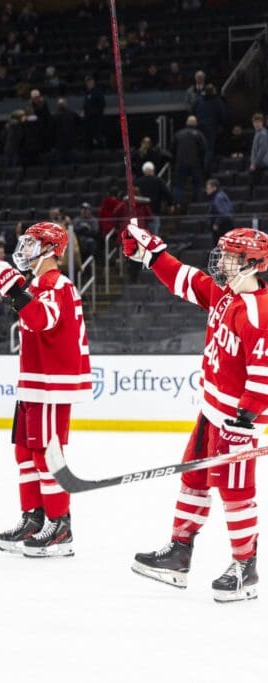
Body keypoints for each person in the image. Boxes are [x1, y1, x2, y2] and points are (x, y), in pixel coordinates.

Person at [122, 221, 268, 602]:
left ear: (253, 263)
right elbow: (185, 279)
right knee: (195, 480)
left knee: (236, 493)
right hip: (211, 412)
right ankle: (179, 553)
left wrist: (247, 418)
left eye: (231, 257)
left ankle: (245, 567)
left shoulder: (258, 312)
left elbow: (264, 372)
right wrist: (152, 254)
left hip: (237, 422)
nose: (221, 262)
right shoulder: (224, 294)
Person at [0, 221, 92, 558]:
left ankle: (60, 525)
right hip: (34, 380)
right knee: (24, 453)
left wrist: (10, 285)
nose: (24, 249)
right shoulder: (39, 283)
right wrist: (14, 287)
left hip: (50, 384)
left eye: (31, 243)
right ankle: (34, 517)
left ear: (48, 249)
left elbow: (42, 319)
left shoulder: (55, 283)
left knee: (46, 454)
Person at [250, 112, 268, 199]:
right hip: (257, 163)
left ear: (262, 122)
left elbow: (262, 150)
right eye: (255, 122)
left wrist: (254, 163)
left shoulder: (263, 134)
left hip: (262, 163)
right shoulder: (257, 133)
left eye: (258, 122)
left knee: (255, 183)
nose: (256, 124)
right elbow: (254, 150)